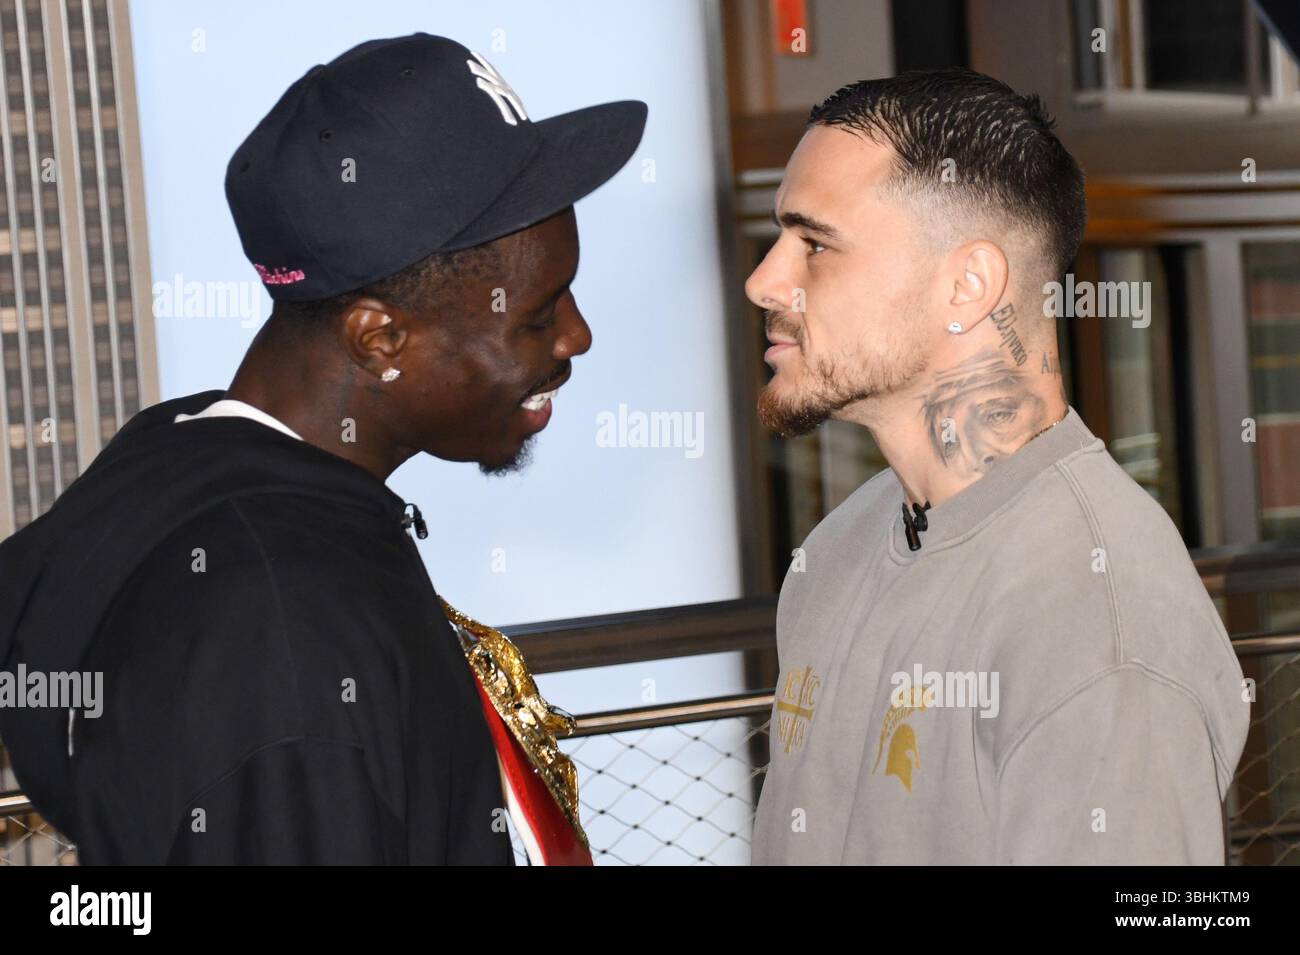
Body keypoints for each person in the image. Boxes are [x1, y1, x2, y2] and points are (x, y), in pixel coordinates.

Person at [0, 32, 645, 864]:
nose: (577, 336)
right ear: (379, 340)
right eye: (537, 314)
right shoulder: (279, 627)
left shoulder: (184, 463)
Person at [747, 68, 1249, 864]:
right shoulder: (835, 550)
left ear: (968, 285)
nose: (765, 280)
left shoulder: (1098, 621)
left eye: (814, 244)